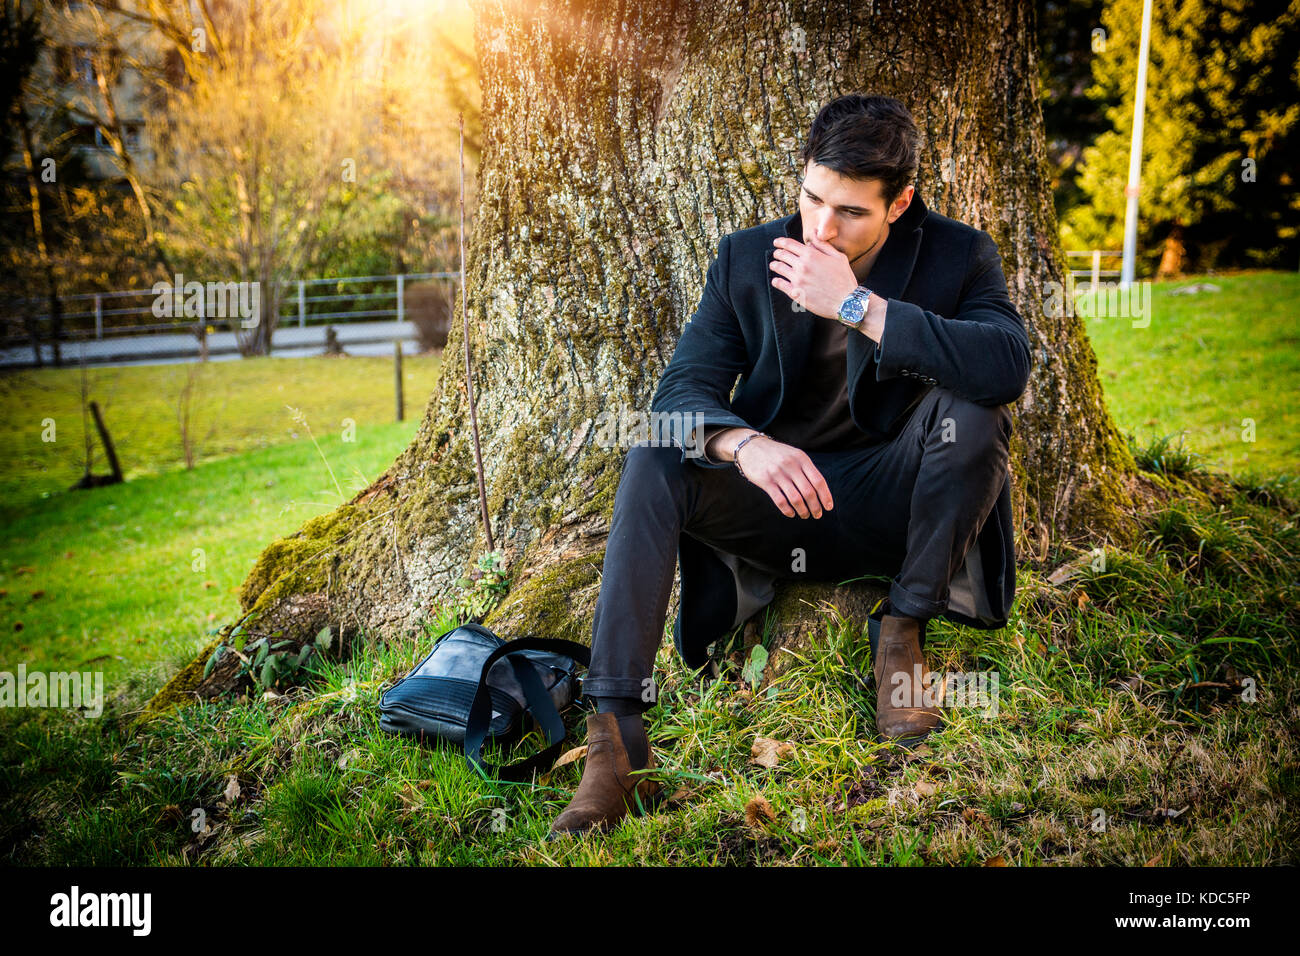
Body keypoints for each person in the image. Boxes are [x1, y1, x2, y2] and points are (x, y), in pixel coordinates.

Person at [548, 93, 1031, 838]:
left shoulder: (957, 255)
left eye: (850, 212)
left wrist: (858, 306)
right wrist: (744, 444)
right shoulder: (747, 257)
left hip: (896, 505)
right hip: (778, 501)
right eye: (811, 198)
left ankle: (901, 636)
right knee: (655, 450)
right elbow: (680, 393)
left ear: (899, 202)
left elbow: (1005, 367)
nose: (822, 228)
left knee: (975, 412)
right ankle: (617, 742)